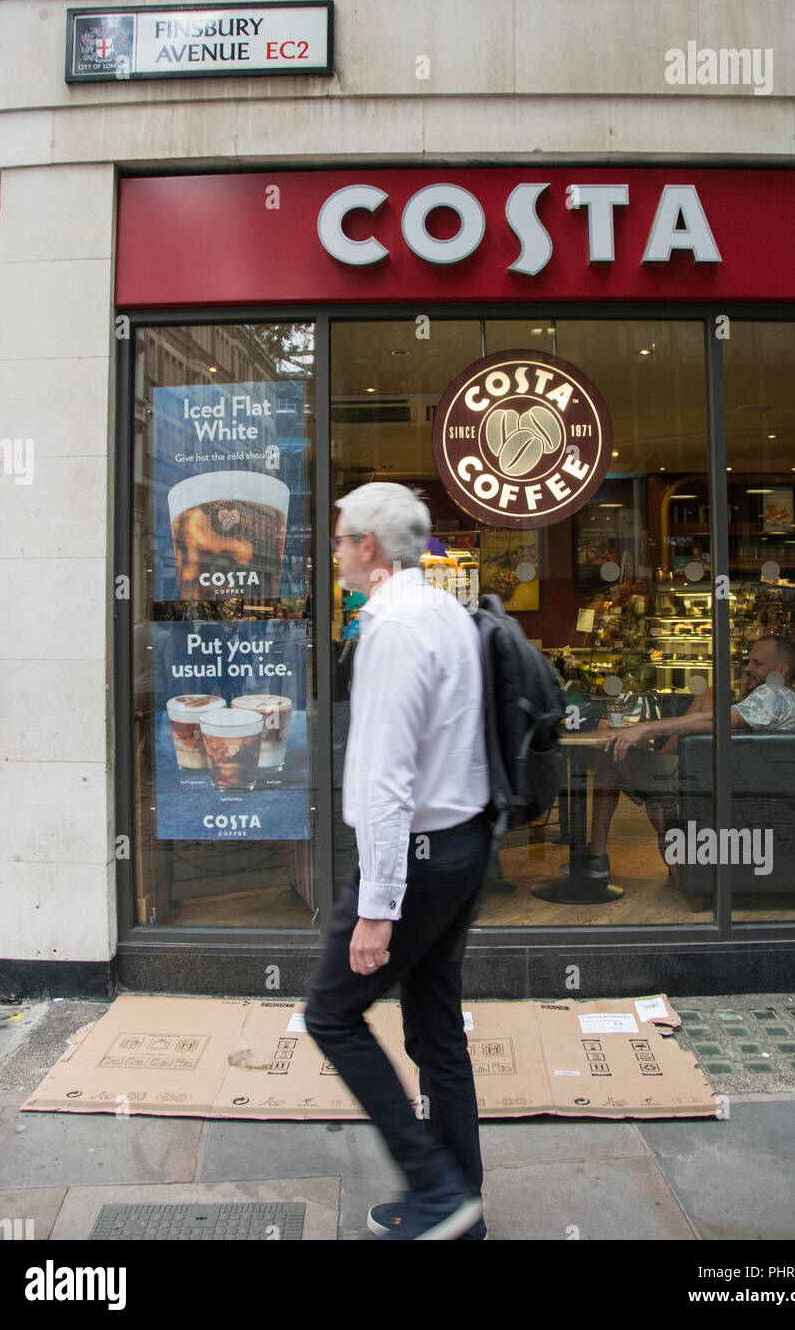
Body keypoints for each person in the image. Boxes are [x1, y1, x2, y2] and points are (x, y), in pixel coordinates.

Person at [304, 482, 492, 1241]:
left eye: (344, 537)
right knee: (436, 1025)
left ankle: (437, 1190)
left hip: (413, 860)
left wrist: (377, 909)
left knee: (331, 1013)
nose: (338, 549)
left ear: (370, 549)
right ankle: (459, 1204)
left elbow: (385, 781)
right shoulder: (446, 610)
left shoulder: (390, 627)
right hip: (462, 846)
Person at [585, 636, 795, 876]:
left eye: (757, 664)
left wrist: (645, 728)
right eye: (748, 662)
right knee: (712, 693)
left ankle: (596, 857)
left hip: (712, 780)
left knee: (609, 755)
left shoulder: (773, 694)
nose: (747, 668)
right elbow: (740, 726)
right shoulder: (782, 698)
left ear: (781, 669)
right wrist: (744, 692)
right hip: (728, 774)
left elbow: (717, 720)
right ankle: (642, 786)